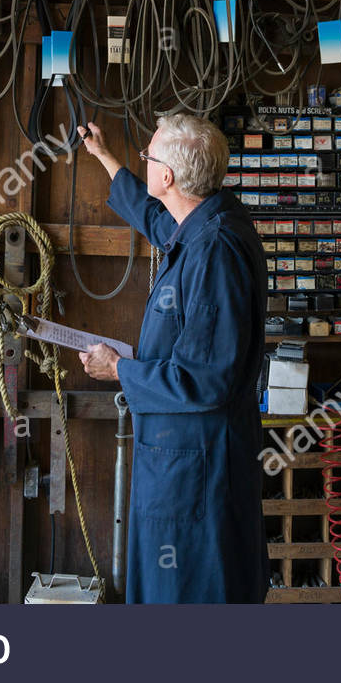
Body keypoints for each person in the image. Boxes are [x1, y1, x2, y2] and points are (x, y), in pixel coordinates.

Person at [77, 114, 269, 604]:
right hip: (182, 460)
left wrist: (117, 369)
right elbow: (156, 219)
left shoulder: (216, 252)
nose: (144, 162)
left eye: (148, 156)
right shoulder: (203, 223)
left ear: (168, 177)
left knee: (190, 590)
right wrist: (104, 157)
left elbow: (204, 380)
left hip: (196, 467)